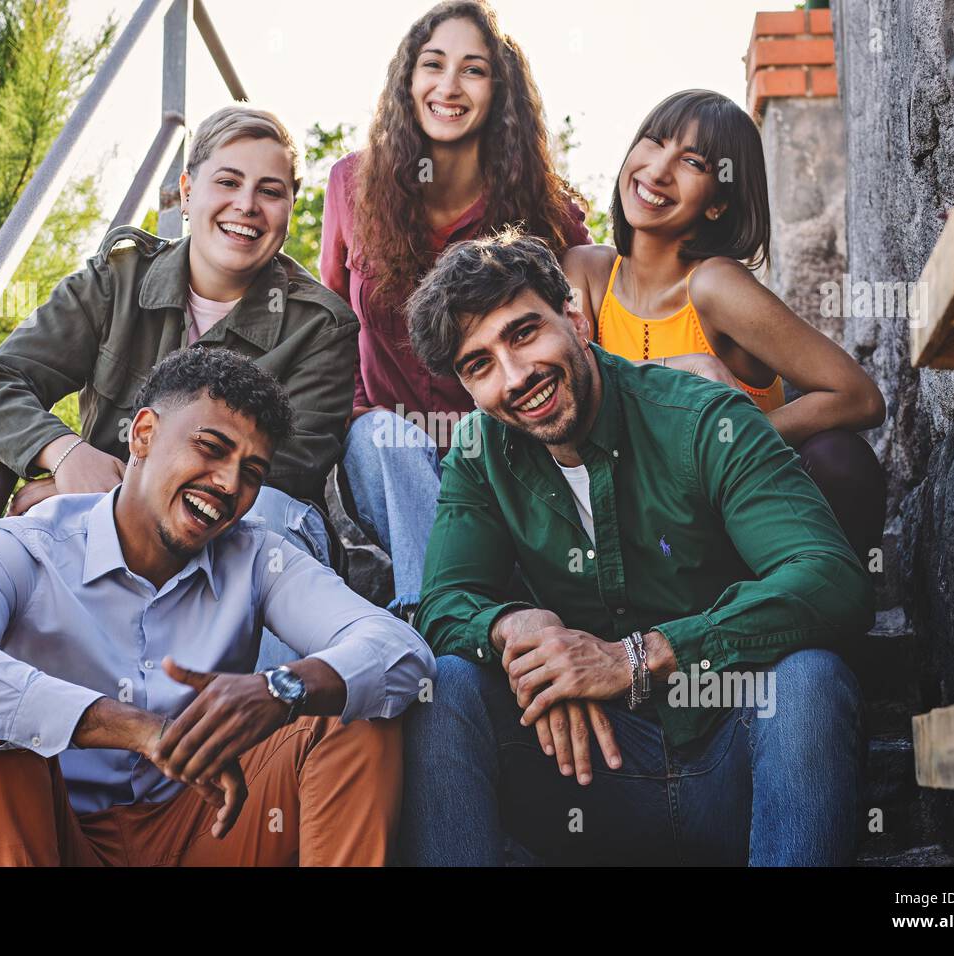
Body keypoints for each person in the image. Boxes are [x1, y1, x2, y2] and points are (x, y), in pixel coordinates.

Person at [398, 230, 872, 866]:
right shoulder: (481, 452)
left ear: (573, 316)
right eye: (478, 364)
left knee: (811, 679)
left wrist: (642, 657)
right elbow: (444, 604)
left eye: (522, 333)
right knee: (445, 686)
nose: (515, 377)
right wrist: (513, 625)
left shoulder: (704, 419)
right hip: (589, 778)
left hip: (732, 755)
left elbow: (831, 578)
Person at [0, 348, 434, 866]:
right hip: (52, 834)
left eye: (252, 473)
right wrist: (134, 727)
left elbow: (399, 650)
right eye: (211, 447)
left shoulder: (257, 555)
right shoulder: (25, 546)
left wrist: (283, 688)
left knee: (352, 708)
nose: (227, 484)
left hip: (209, 826)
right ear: (144, 433)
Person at [0, 105, 356, 570]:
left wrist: (117, 495)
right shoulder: (115, 283)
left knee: (268, 520)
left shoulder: (322, 328)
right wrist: (67, 456)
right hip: (101, 543)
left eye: (270, 191)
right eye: (227, 182)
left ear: (289, 210)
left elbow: (276, 476)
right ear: (185, 192)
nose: (247, 204)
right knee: (12, 540)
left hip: (230, 545)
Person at [320, 0, 591, 619]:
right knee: (385, 437)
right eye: (432, 65)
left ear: (500, 92)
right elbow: (331, 320)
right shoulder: (350, 186)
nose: (449, 86)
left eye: (473, 70)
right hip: (384, 443)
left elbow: (590, 311)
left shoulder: (542, 205)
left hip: (507, 435)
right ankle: (432, 617)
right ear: (407, 80)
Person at [561, 89, 886, 558]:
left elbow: (859, 397)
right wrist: (684, 364)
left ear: (718, 204)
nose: (657, 170)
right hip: (634, 525)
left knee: (840, 460)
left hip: (728, 521)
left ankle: (821, 612)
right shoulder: (585, 273)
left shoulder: (715, 286)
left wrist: (721, 441)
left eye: (693, 162)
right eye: (654, 141)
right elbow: (575, 400)